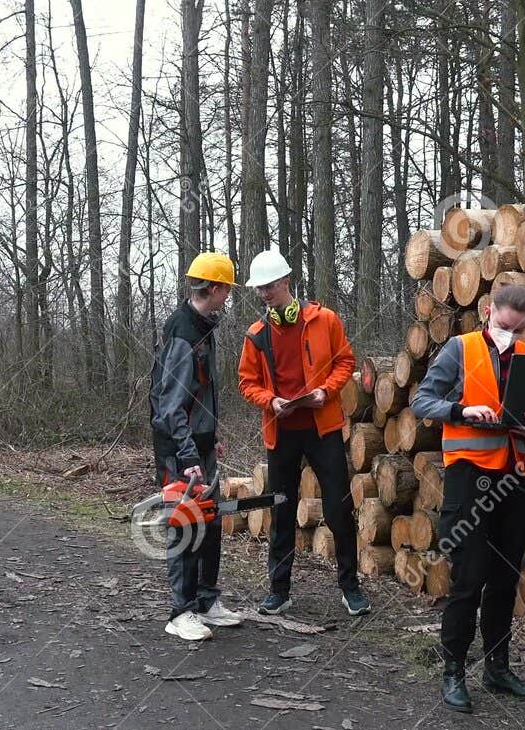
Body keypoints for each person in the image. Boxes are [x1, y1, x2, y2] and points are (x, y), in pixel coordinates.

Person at [410, 283, 525, 713]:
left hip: (516, 476)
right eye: (506, 325)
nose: (512, 333)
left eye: (519, 328)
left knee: (506, 576)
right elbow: (421, 402)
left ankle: (497, 667)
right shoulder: (459, 348)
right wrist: (461, 410)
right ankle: (453, 671)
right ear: (490, 311)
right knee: (468, 577)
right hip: (470, 477)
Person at [237, 249, 370, 617]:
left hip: (322, 426)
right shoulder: (256, 334)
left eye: (269, 286)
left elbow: (346, 361)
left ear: (285, 282)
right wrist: (270, 401)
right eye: (259, 289)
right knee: (282, 509)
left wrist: (325, 392)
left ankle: (350, 587)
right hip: (280, 432)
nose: (264, 294)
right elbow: (246, 383)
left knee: (338, 507)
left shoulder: (324, 319)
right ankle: (279, 590)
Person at [150, 251, 243, 642]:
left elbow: (200, 395)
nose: (228, 298)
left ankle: (206, 599)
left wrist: (211, 438)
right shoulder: (184, 332)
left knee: (211, 523)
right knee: (185, 526)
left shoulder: (205, 326)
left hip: (200, 446)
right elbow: (171, 406)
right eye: (227, 291)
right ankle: (181, 610)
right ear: (216, 288)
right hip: (179, 451)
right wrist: (188, 457)